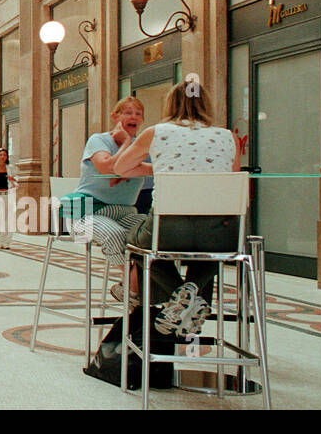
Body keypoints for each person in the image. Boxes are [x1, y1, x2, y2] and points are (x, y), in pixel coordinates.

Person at [112, 82, 240, 339]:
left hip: (169, 229)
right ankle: (193, 300)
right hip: (220, 235)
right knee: (207, 251)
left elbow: (119, 168)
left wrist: (154, 166)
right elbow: (233, 179)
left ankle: (180, 294)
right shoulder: (229, 136)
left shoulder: (156, 133)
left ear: (169, 105)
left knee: (135, 240)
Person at [70, 97, 148, 301]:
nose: (133, 117)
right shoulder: (99, 140)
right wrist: (127, 145)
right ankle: (133, 288)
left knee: (154, 233)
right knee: (114, 235)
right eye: (128, 112)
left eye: (138, 114)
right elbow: (107, 168)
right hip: (88, 212)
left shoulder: (144, 147)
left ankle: (134, 289)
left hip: (125, 212)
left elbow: (150, 169)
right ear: (116, 116)